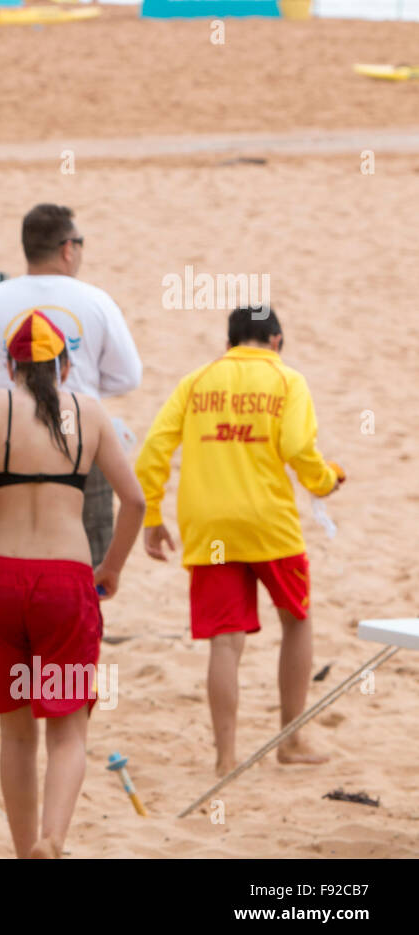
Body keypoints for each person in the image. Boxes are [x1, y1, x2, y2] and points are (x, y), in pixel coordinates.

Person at [0, 310, 144, 858]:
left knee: (15, 735)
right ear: (65, 364)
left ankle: (21, 849)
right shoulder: (90, 412)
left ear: (9, 364)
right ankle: (52, 839)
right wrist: (112, 568)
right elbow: (137, 501)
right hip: (65, 578)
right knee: (67, 730)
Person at [0, 203, 141, 679]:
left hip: (1, 441)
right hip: (80, 445)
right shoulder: (95, 301)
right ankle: (67, 663)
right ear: (68, 249)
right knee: (84, 565)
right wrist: (79, 389)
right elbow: (128, 377)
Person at [135, 307, 342, 777]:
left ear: (230, 343)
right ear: (277, 340)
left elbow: (153, 452)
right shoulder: (288, 381)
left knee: (225, 643)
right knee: (297, 619)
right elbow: (297, 447)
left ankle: (225, 758)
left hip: (209, 527)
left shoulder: (196, 382)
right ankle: (290, 738)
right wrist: (324, 481)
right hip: (269, 523)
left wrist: (152, 513)